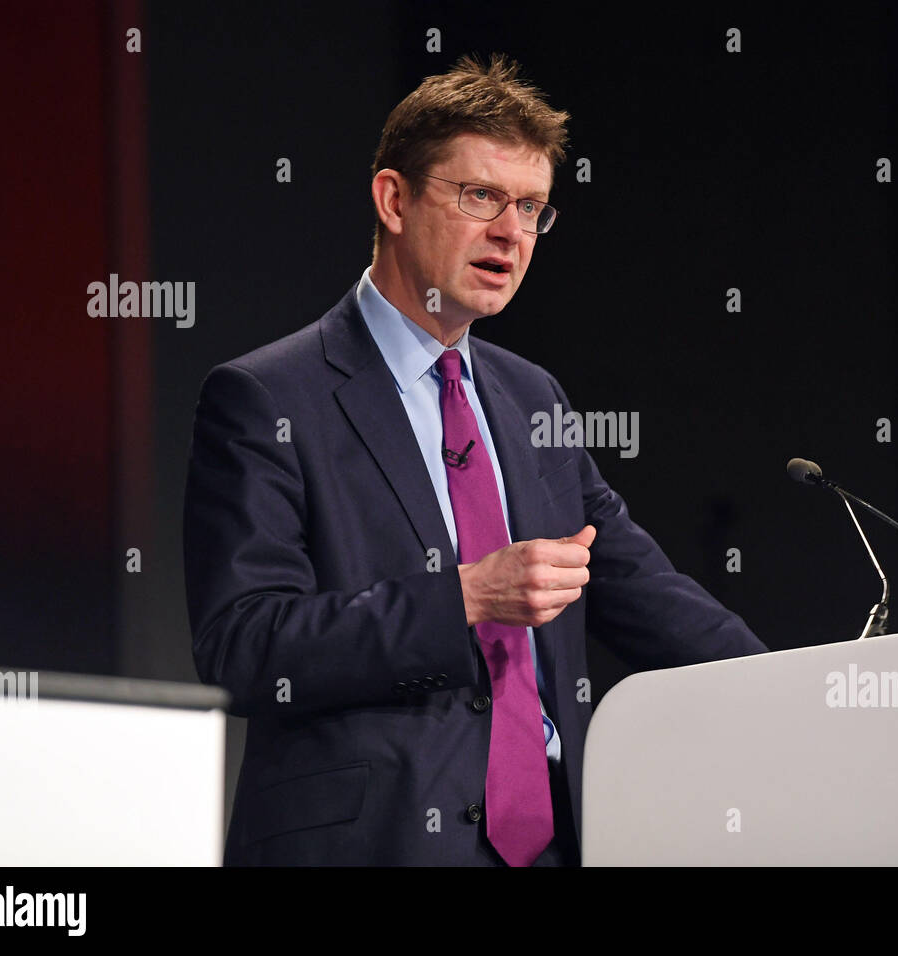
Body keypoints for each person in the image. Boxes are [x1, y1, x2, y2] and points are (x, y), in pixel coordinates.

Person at [183, 52, 768, 867]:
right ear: (393, 199)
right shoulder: (267, 398)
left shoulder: (534, 400)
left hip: (552, 848)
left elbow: (645, 592)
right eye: (481, 196)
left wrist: (810, 691)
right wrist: (464, 597)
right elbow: (244, 648)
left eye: (532, 208)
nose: (511, 234)